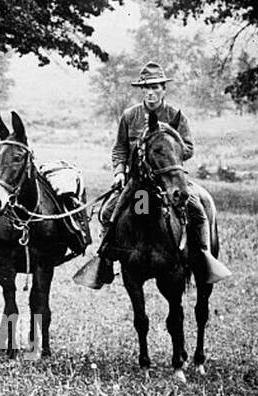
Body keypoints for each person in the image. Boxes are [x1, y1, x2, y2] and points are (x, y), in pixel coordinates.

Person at [74, 61, 231, 289]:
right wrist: (119, 172)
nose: (151, 92)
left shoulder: (175, 116)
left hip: (170, 178)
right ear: (141, 90)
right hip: (138, 183)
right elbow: (120, 148)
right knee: (109, 212)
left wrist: (169, 148)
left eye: (156, 87)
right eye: (146, 87)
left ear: (164, 89)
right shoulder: (130, 116)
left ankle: (205, 256)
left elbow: (188, 147)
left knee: (199, 208)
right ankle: (105, 260)